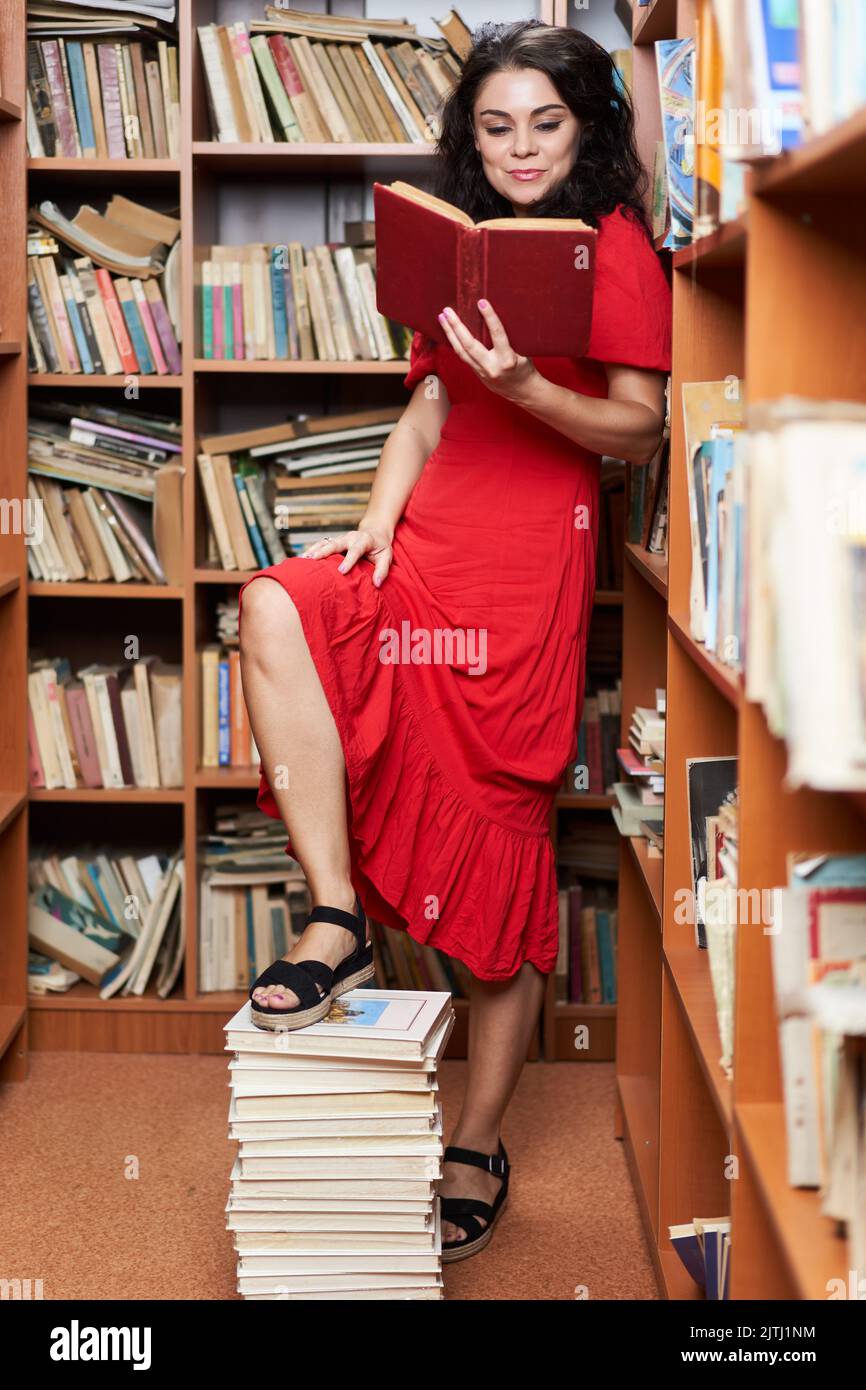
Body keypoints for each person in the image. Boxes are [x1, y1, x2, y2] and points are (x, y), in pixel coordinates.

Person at [238, 19, 672, 1262]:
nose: (520, 146)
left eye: (545, 121)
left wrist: (531, 385)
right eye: (495, 125)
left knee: (496, 838)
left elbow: (636, 430)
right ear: (468, 135)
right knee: (275, 603)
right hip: (424, 544)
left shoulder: (616, 247)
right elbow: (429, 400)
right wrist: (377, 515)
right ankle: (337, 915)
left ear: (583, 126)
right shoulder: (455, 240)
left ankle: (477, 1134)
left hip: (528, 567)